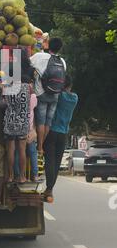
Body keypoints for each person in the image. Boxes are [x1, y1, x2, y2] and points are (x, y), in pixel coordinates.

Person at [43, 75, 78, 203]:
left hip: (52, 131)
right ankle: (50, 188)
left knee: (49, 160)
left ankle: (49, 189)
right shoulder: (74, 98)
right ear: (70, 86)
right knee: (57, 163)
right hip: (64, 134)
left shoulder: (58, 96)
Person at [30, 37, 66, 156]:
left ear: (48, 45)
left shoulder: (40, 56)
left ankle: (39, 146)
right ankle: (41, 147)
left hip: (42, 93)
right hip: (55, 94)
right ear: (60, 48)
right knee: (48, 122)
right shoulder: (63, 62)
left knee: (41, 121)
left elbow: (28, 62)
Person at [3, 75, 31, 184]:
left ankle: (11, 176)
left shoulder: (7, 86)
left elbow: (3, 102)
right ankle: (22, 176)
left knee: (10, 150)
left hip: (10, 121)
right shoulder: (27, 87)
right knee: (22, 150)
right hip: (22, 121)